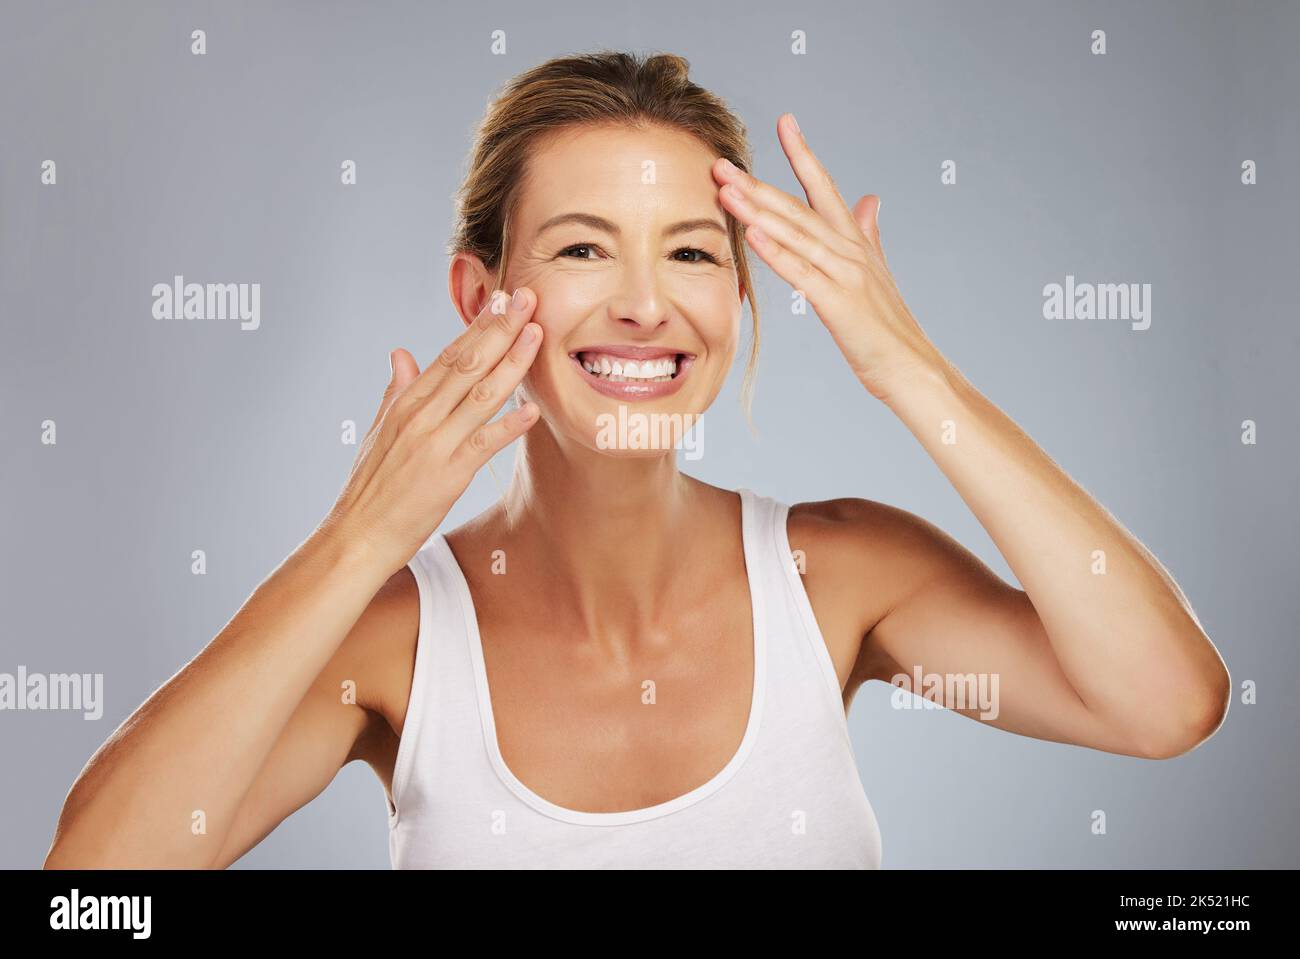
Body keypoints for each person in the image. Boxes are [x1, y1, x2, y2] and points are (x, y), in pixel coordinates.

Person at [44, 51, 1229, 870]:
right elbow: (94, 894)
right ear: (483, 296)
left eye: (693, 255)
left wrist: (908, 368)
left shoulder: (843, 572)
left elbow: (1166, 703)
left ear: (745, 289)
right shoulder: (393, 634)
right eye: (581, 248)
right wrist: (358, 539)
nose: (645, 306)